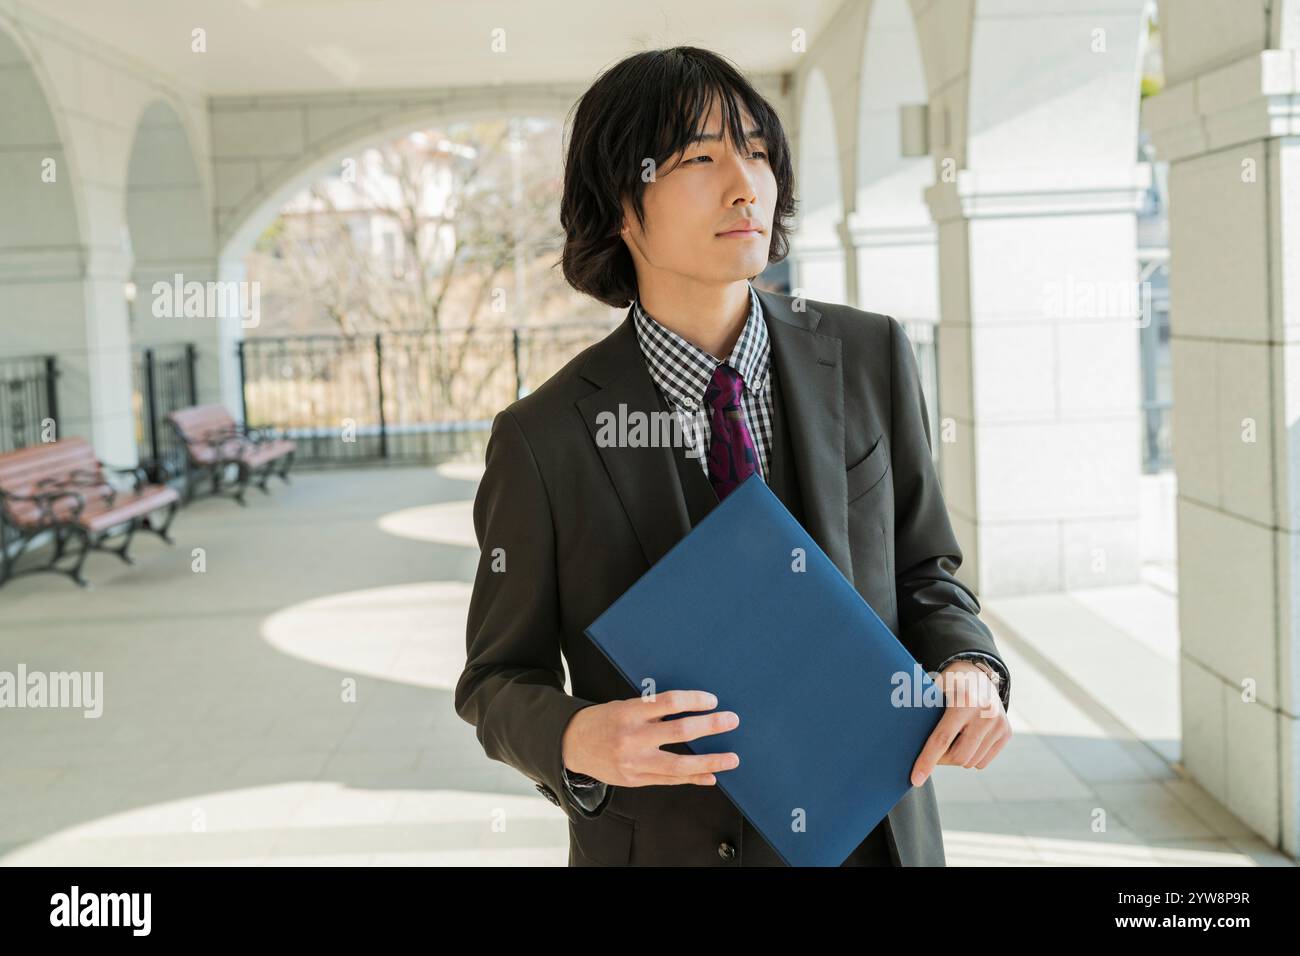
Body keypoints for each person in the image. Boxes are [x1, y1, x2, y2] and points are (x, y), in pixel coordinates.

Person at [454, 45, 1012, 866]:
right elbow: (496, 680)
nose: (745, 183)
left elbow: (926, 569)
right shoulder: (543, 438)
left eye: (756, 151)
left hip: (875, 835)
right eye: (701, 158)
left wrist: (969, 664)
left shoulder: (869, 356)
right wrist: (577, 736)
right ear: (620, 203)